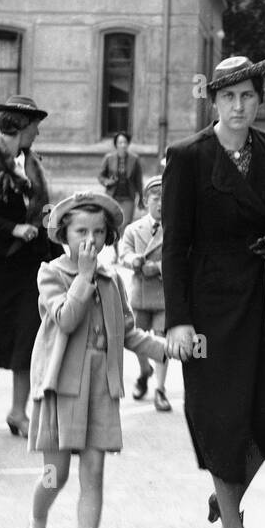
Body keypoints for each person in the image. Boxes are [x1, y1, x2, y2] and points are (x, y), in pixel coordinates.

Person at [162, 56, 265, 528]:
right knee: (221, 415)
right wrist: (178, 319)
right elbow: (175, 246)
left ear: (258, 99)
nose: (239, 106)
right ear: (214, 101)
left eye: (248, 96)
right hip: (211, 309)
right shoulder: (188, 157)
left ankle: (225, 498)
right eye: (229, 97)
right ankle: (231, 527)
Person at [20, 192, 168, 528]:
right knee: (55, 474)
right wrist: (83, 276)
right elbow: (66, 320)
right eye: (81, 231)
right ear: (64, 233)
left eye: (99, 232)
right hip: (62, 387)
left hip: (102, 387)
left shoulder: (113, 280)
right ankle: (36, 525)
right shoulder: (50, 274)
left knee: (95, 472)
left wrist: (168, 348)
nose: (91, 239)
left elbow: (130, 332)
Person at [0, 96, 61, 437]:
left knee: (27, 335)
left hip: (29, 262)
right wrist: (12, 229)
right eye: (34, 125)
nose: (38, 132)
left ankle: (18, 412)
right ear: (18, 125)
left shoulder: (34, 165)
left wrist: (59, 251)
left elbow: (43, 213)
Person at [117, 176, 170, 412]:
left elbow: (184, 258)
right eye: (156, 199)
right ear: (146, 201)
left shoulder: (176, 229)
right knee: (134, 338)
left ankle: (160, 388)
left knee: (161, 340)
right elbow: (123, 253)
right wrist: (134, 261)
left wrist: (158, 268)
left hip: (164, 294)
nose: (160, 204)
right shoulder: (133, 229)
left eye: (165, 199)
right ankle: (143, 371)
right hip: (139, 293)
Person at [98, 132, 144, 235]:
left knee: (126, 223)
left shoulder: (134, 159)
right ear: (116, 144)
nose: (123, 145)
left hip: (128, 196)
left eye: (125, 142)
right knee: (114, 222)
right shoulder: (109, 158)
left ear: (128, 144)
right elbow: (100, 176)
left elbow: (138, 180)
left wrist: (141, 197)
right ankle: (116, 246)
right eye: (120, 142)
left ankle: (123, 245)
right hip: (113, 196)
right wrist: (108, 182)